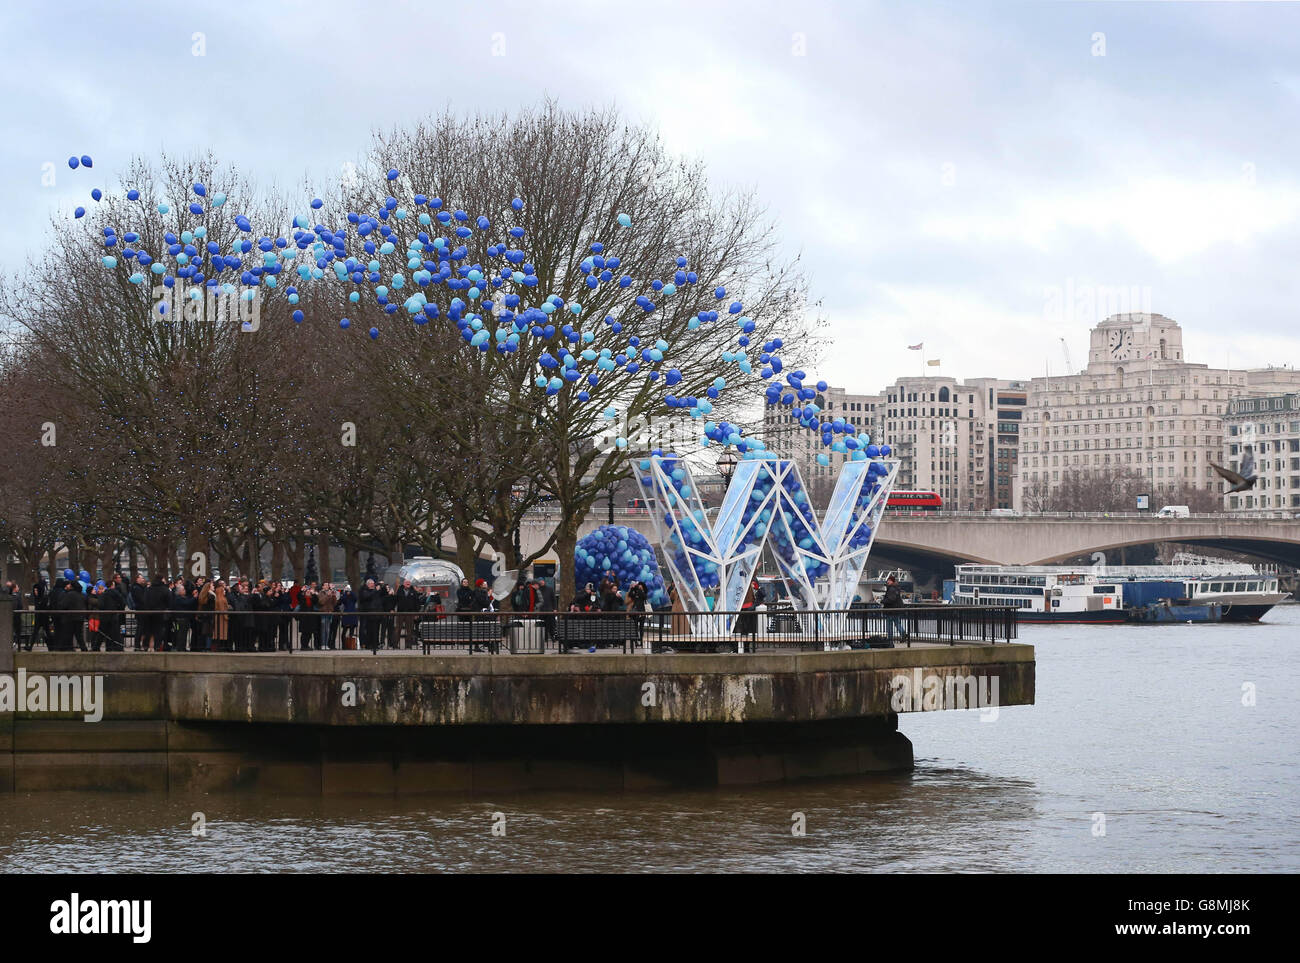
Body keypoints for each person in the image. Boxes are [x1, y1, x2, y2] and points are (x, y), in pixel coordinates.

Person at [882, 575, 908, 644]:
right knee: (897, 623)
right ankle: (903, 634)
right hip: (897, 609)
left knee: (889, 624)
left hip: (891, 610)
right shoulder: (896, 588)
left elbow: (891, 599)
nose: (888, 581)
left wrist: (883, 601)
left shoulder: (891, 589)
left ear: (892, 581)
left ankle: (890, 639)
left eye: (889, 580)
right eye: (888, 580)